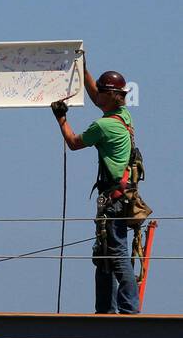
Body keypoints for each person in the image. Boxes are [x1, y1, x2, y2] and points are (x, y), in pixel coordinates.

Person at [50, 59, 139, 314]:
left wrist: (61, 118)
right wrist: (84, 70)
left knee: (117, 253)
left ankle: (129, 310)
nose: (97, 95)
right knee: (104, 255)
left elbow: (74, 143)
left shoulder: (103, 126)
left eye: (102, 92)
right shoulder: (123, 116)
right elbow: (95, 95)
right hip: (121, 195)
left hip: (114, 197)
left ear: (111, 96)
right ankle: (105, 311)